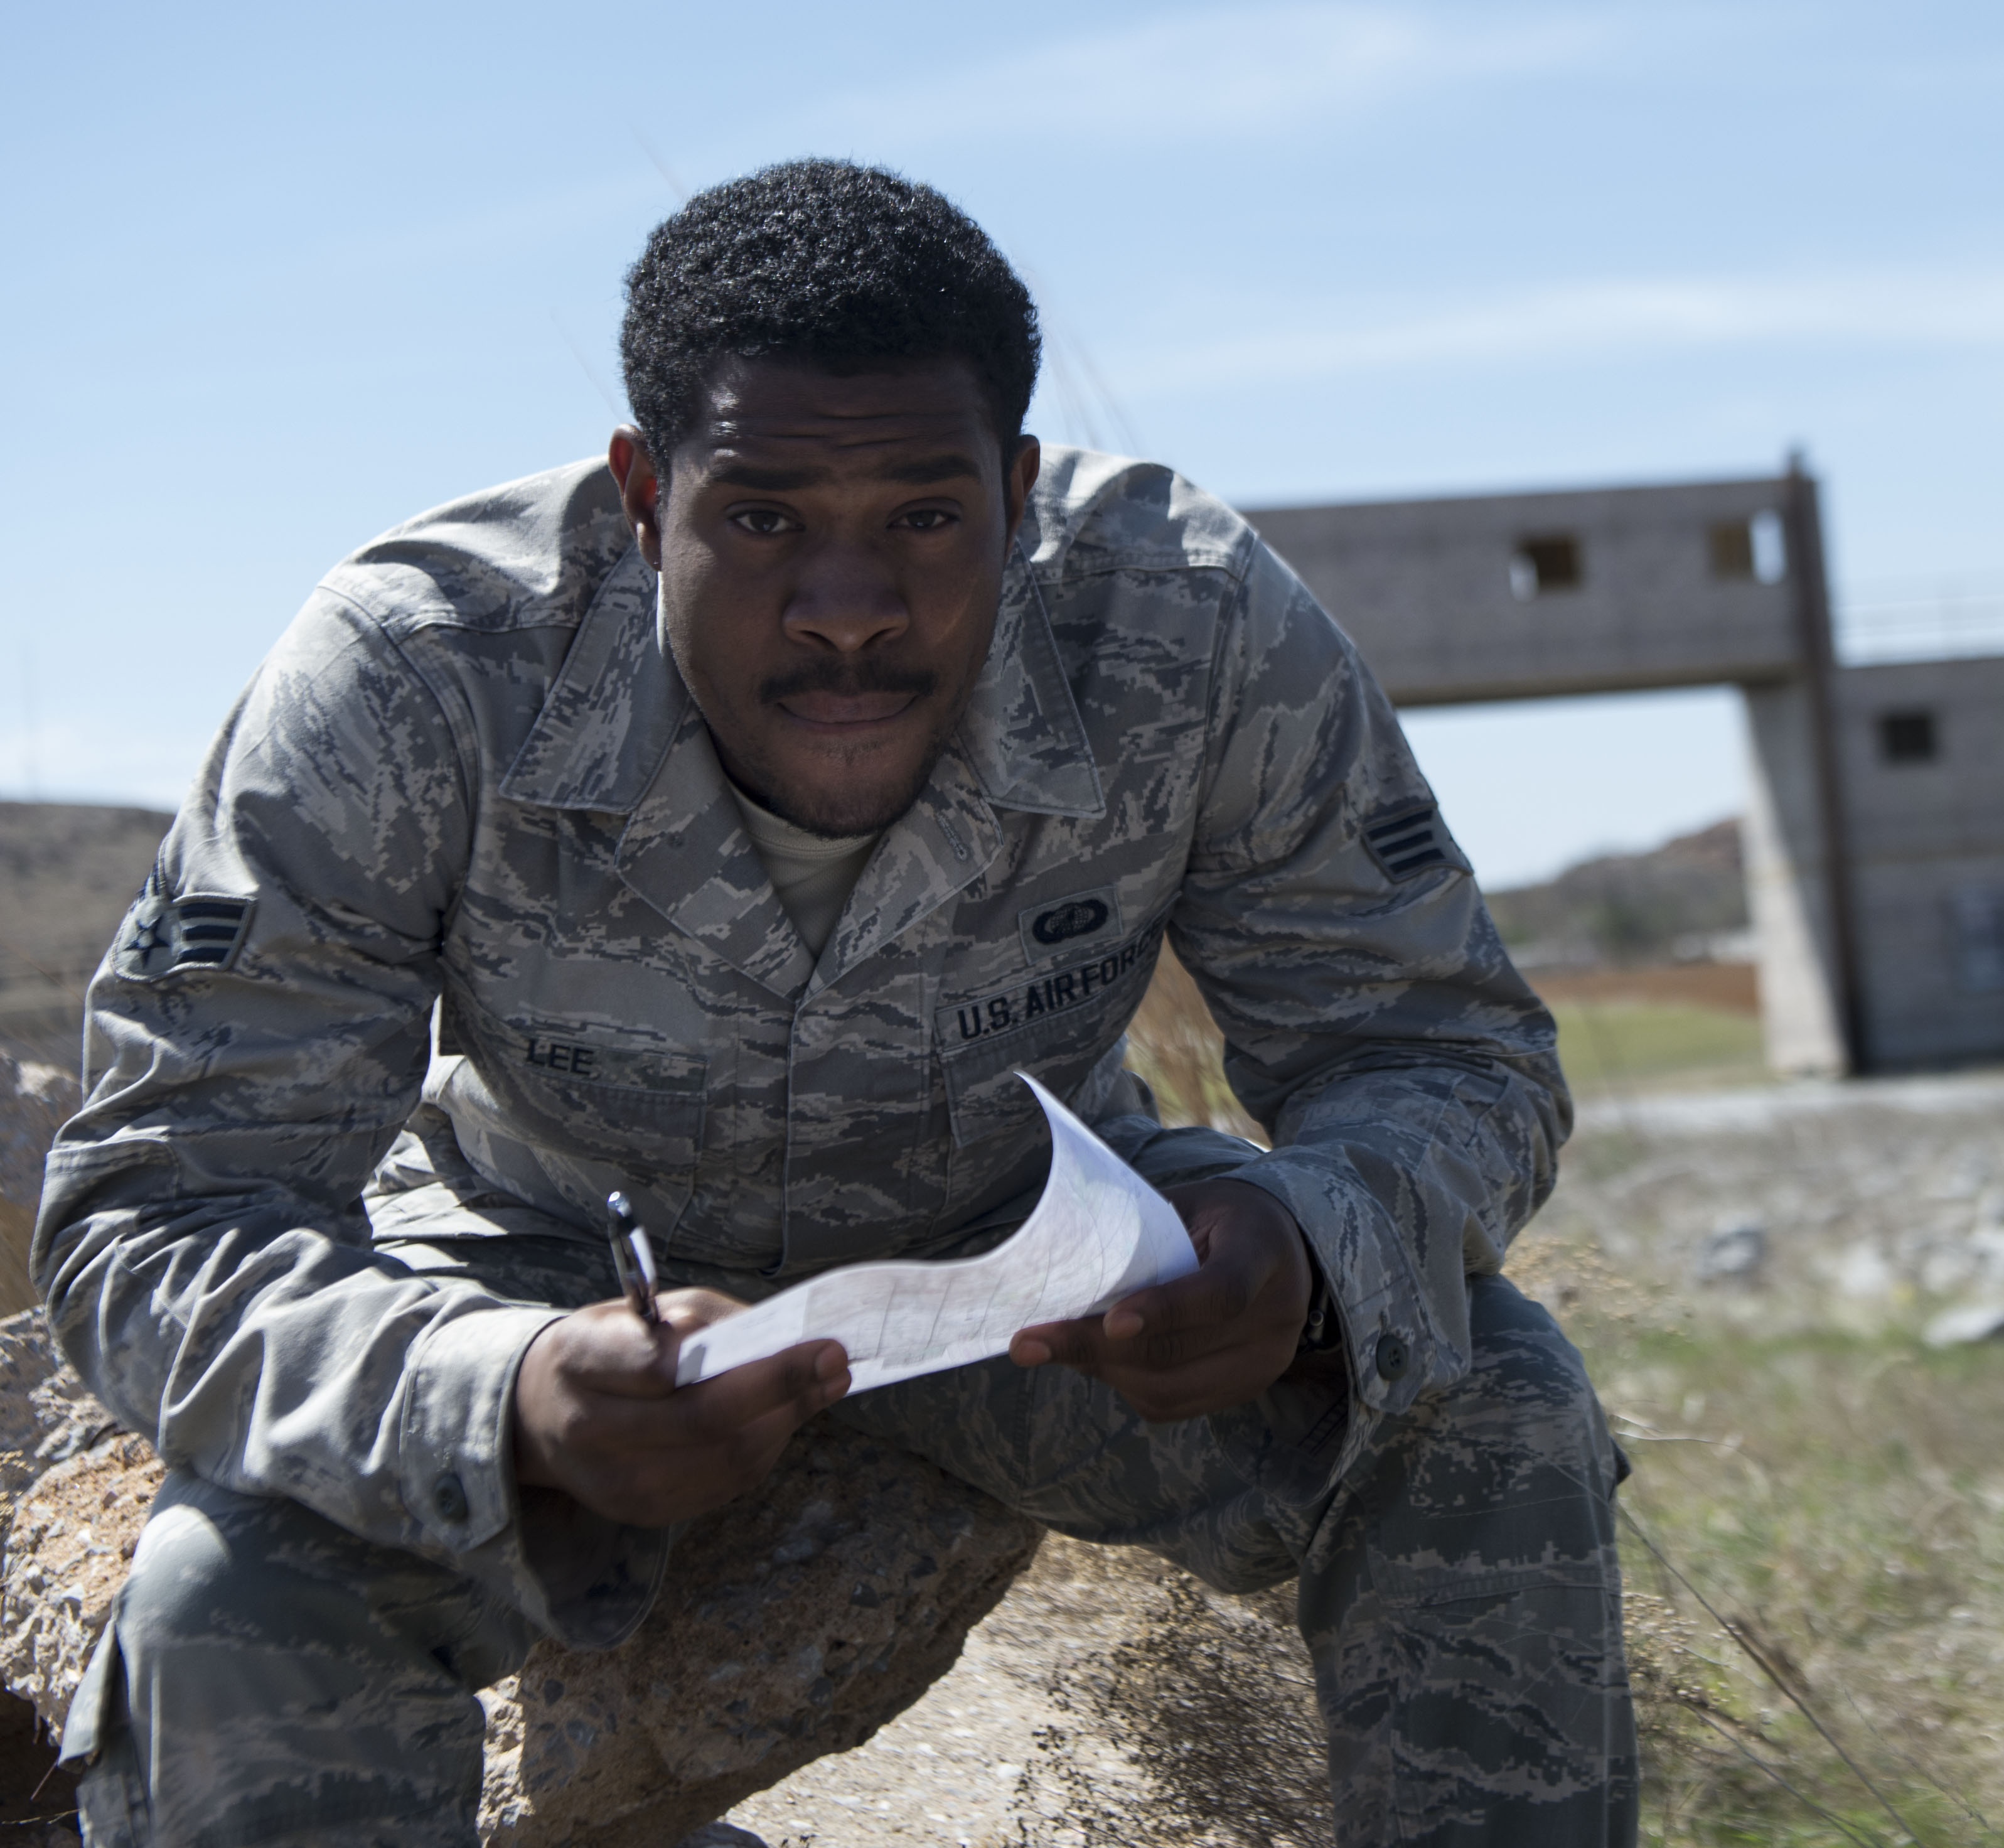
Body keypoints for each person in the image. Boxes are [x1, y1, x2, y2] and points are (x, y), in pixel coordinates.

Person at [35, 159, 1634, 1846]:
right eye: (767, 519)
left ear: (1017, 494)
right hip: (556, 1258)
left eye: (927, 519)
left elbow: (1443, 1048)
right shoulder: (417, 670)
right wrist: (503, 1389)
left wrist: (1309, 1245)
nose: (850, 607)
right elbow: (158, 1210)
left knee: (1495, 1404)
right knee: (222, 1598)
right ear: (647, 495)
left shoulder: (1195, 625)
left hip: (1043, 1270)